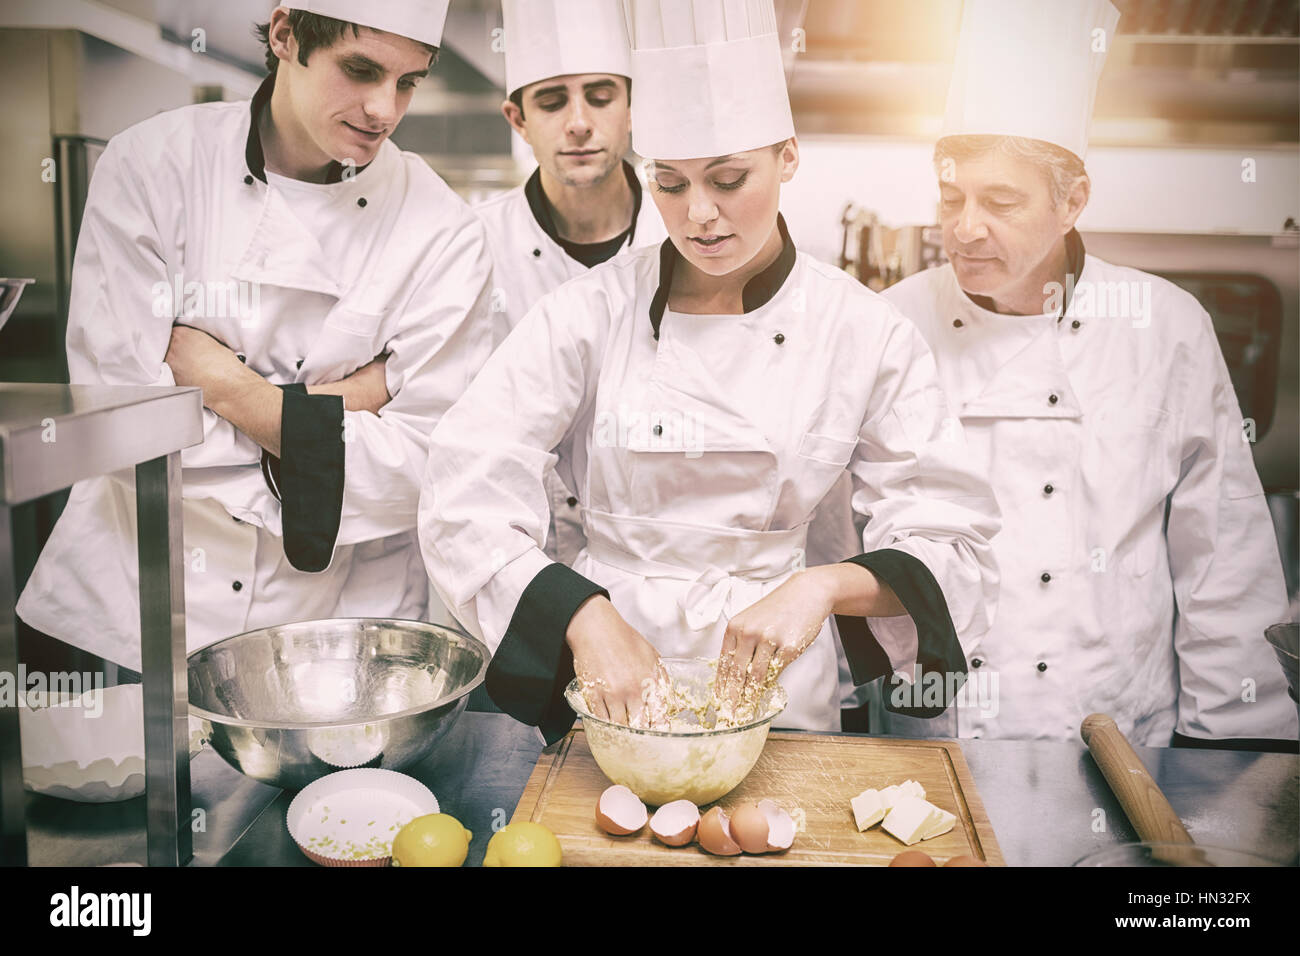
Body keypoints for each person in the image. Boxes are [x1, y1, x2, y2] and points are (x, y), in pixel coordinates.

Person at [419, 0, 1000, 743]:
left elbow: (952, 540)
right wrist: (583, 616)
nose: (698, 215)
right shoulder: (590, 312)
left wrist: (822, 586)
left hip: (784, 694)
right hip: (609, 685)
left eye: (728, 179)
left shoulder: (862, 331)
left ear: (788, 154)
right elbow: (462, 486)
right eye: (669, 182)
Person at [17, 1, 497, 671]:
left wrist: (233, 392)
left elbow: (428, 470)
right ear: (285, 36)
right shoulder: (152, 169)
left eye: (409, 80)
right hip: (141, 607)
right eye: (359, 69)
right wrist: (350, 406)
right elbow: (117, 431)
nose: (384, 108)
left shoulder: (443, 230)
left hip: (339, 629)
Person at [875, 0, 1297, 747]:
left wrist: (1235, 754)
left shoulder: (1164, 328)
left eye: (1001, 200)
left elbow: (1220, 555)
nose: (966, 227)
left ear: (1073, 202)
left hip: (1123, 743)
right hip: (941, 746)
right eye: (951, 197)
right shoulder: (892, 325)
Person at [474, 0, 666, 567]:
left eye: (601, 96)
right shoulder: (472, 248)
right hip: (513, 567)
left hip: (656, 575)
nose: (579, 121)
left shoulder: (688, 240)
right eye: (552, 101)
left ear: (632, 106)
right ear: (518, 119)